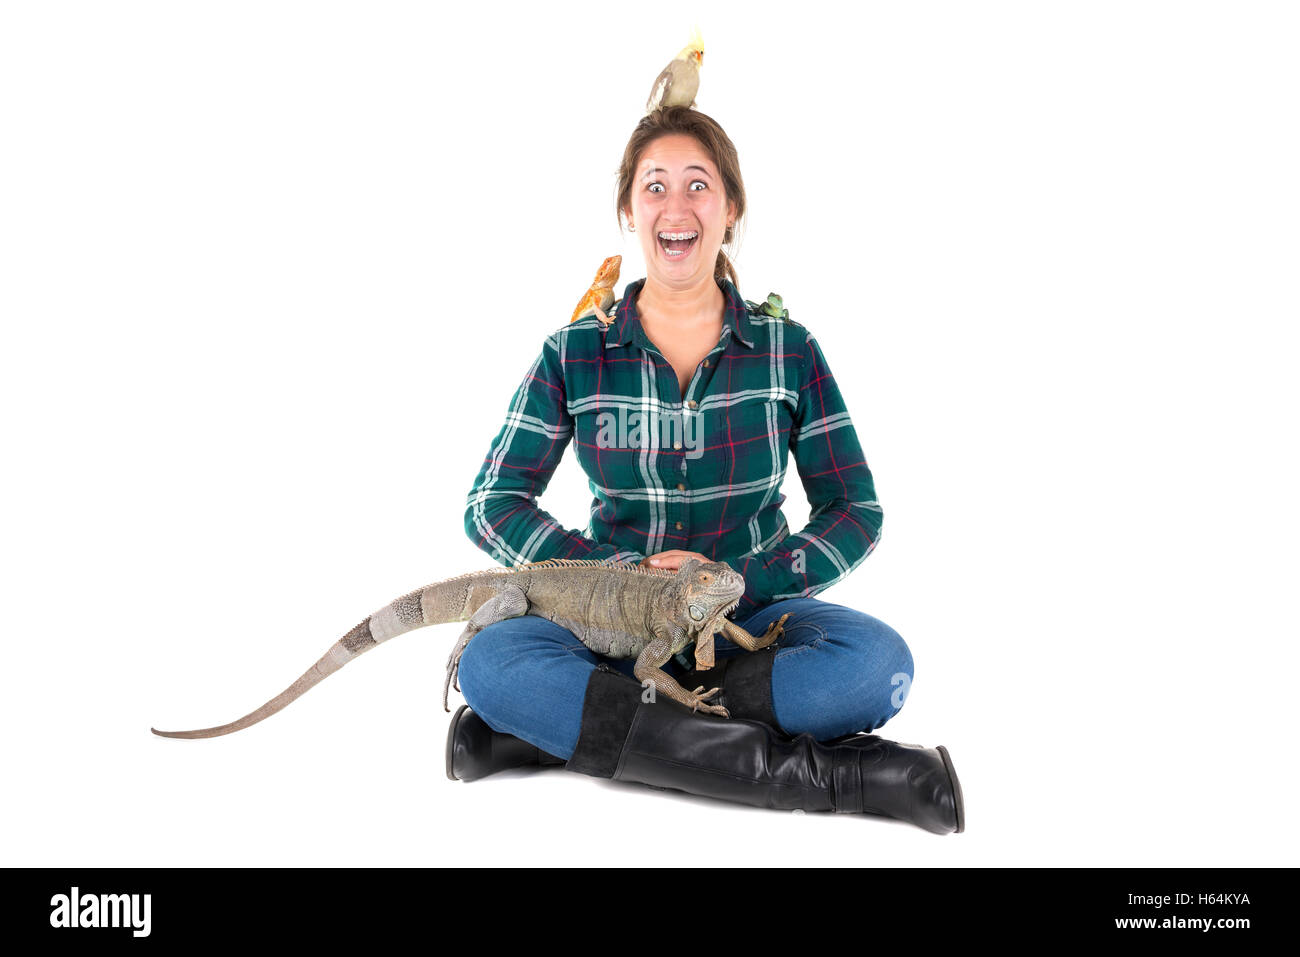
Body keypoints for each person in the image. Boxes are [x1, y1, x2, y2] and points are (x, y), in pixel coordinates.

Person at [452, 106, 963, 834]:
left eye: (699, 185)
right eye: (654, 186)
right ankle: (846, 776)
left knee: (876, 664)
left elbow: (856, 510)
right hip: (612, 624)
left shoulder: (789, 350)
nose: (676, 205)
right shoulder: (573, 353)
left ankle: (552, 733)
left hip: (744, 616)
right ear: (630, 211)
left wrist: (752, 579)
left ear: (731, 209)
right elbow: (491, 503)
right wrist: (613, 570)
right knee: (492, 663)